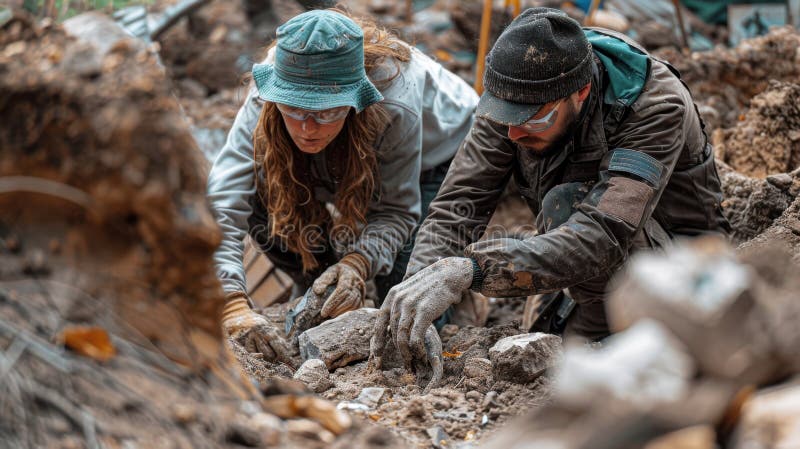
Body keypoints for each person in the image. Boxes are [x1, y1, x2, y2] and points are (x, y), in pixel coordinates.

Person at [370, 7, 730, 371]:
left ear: (581, 92)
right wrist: (418, 292)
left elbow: (603, 232)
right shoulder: (516, 88)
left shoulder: (653, 107)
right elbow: (458, 206)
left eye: (531, 120)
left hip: (682, 266)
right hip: (578, 249)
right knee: (539, 339)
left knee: (565, 208)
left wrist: (474, 269)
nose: (513, 134)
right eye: (505, 117)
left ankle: (612, 339)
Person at [206, 9, 478, 356]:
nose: (307, 129)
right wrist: (231, 302)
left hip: (439, 149)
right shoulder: (270, 90)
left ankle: (458, 303)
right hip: (351, 136)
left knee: (405, 300)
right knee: (265, 192)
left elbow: (395, 211)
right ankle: (319, 288)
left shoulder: (395, 103)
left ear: (355, 99)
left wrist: (358, 263)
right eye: (294, 110)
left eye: (325, 112)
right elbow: (222, 200)